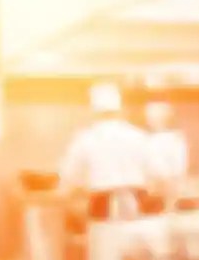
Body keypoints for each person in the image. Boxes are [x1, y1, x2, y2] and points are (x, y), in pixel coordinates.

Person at [59, 83, 151, 219]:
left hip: (102, 204)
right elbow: (159, 173)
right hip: (138, 202)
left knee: (105, 238)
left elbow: (68, 174)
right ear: (120, 110)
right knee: (133, 237)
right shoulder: (138, 135)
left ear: (94, 111)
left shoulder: (86, 138)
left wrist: (77, 190)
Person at [143, 101, 189, 200]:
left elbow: (177, 171)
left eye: (152, 117)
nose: (149, 120)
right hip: (151, 192)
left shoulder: (175, 139)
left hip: (167, 192)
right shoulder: (148, 139)